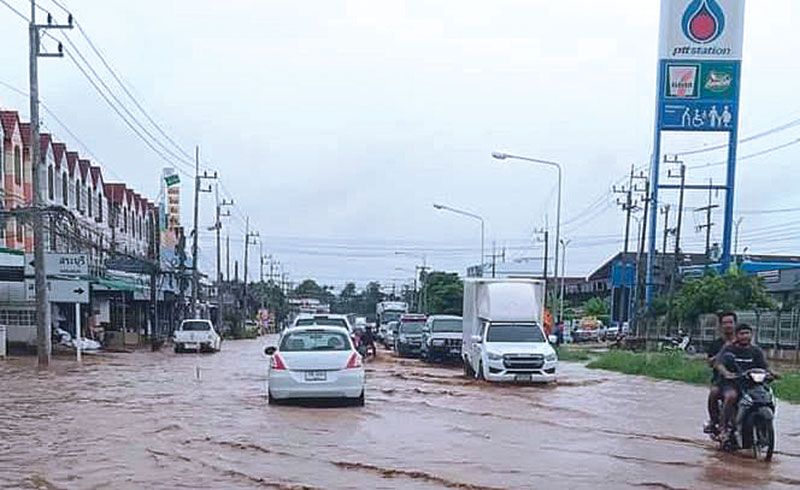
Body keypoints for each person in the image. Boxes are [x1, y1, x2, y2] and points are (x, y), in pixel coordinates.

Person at [714, 323, 769, 440]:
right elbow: (719, 364)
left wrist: (772, 374)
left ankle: (763, 429)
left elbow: (764, 367)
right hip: (731, 383)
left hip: (751, 384)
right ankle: (722, 428)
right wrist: (727, 373)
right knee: (731, 396)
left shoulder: (756, 351)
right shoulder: (729, 349)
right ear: (736, 335)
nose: (745, 336)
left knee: (767, 397)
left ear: (752, 334)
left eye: (747, 333)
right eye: (742, 333)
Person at [704, 311, 736, 434]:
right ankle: (715, 422)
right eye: (725, 323)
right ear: (721, 326)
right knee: (714, 393)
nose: (728, 325)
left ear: (735, 324)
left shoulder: (742, 342)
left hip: (742, 379)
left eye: (730, 322)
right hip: (721, 380)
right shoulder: (716, 344)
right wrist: (724, 349)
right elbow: (710, 363)